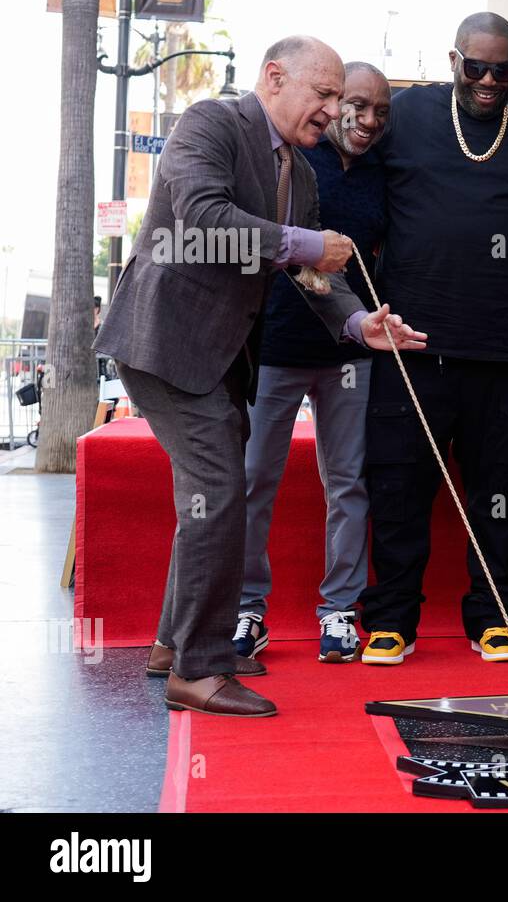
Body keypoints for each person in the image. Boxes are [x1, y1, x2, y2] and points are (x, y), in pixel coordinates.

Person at [93, 36, 425, 717]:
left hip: (219, 357)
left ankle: (174, 644)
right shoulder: (210, 124)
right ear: (274, 77)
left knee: (209, 494)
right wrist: (306, 242)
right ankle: (200, 670)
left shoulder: (298, 174)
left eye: (340, 98)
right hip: (164, 343)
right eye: (325, 94)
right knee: (219, 490)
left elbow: (308, 275)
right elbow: (203, 219)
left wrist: (359, 324)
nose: (334, 111)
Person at [359, 12, 508, 665]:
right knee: (399, 491)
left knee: (499, 495)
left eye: (501, 70)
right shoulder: (410, 115)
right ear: (454, 60)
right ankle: (392, 617)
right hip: (414, 349)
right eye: (475, 67)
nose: (487, 81)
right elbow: (347, 178)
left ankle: (493, 616)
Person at [233, 62, 392, 664]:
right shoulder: (294, 159)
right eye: (350, 103)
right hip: (274, 345)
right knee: (253, 482)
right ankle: (249, 610)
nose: (364, 119)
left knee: (347, 481)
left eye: (380, 110)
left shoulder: (384, 171)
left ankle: (339, 613)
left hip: (351, 348)